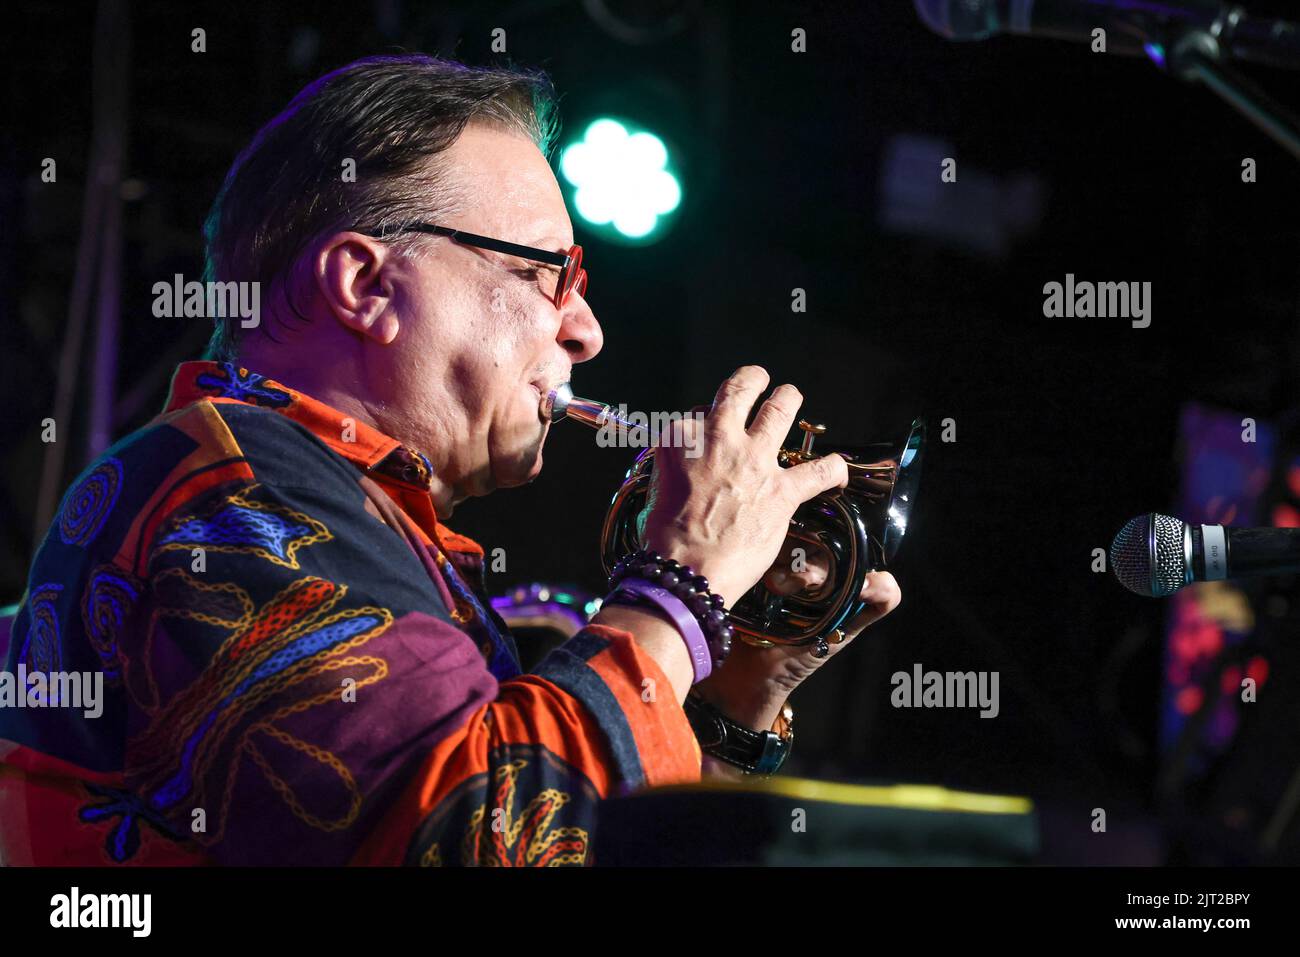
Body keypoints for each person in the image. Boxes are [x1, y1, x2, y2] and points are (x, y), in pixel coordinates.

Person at [0, 54, 899, 866]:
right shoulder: (229, 488)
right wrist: (681, 584)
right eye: (547, 273)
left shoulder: (344, 514)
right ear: (365, 286)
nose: (586, 330)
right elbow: (471, 840)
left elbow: (595, 847)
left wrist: (736, 696)